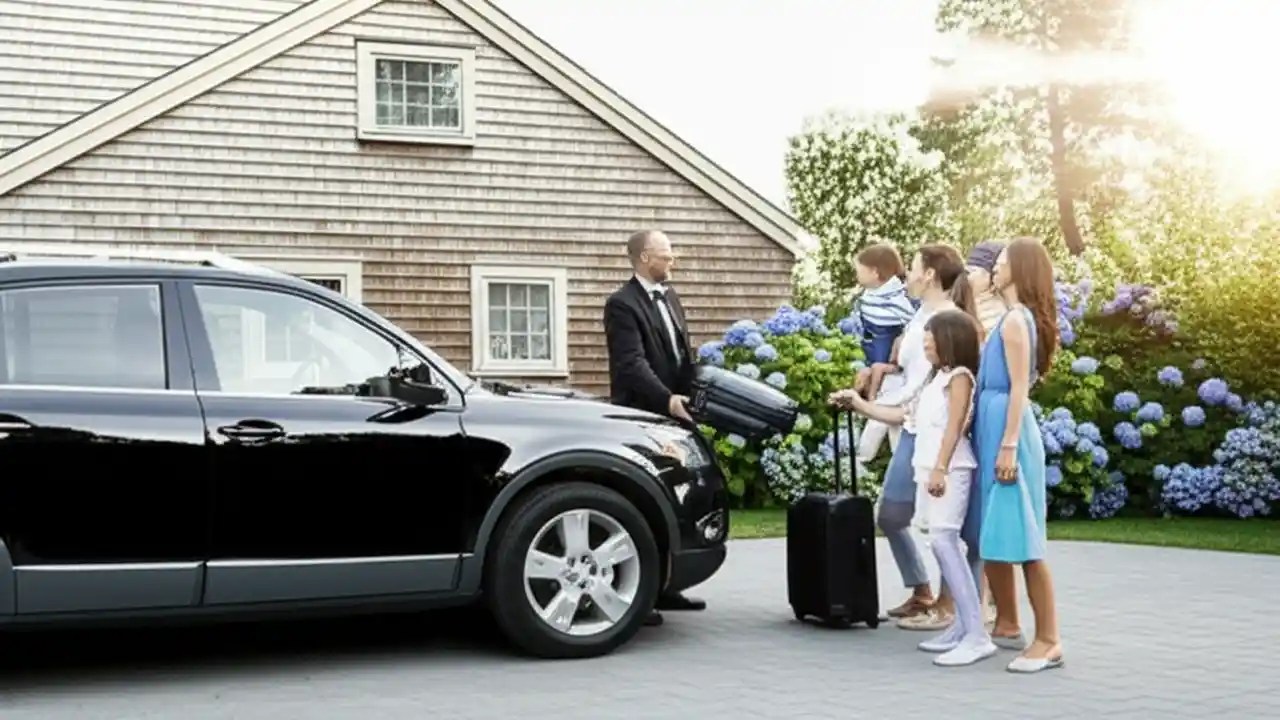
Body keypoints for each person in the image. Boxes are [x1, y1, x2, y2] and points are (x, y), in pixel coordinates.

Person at [830, 244, 976, 631]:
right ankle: (922, 591)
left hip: (933, 432)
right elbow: (913, 377)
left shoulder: (952, 321)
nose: (905, 274)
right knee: (892, 516)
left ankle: (950, 606)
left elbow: (948, 388)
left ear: (929, 275)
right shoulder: (920, 316)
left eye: (911, 268)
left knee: (947, 527)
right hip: (912, 423)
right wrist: (878, 373)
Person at [844, 309, 996, 666]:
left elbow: (955, 426)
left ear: (950, 340)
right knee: (940, 545)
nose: (925, 342)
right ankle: (962, 627)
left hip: (949, 469)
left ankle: (976, 633)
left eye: (931, 337)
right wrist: (860, 404)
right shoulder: (935, 377)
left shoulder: (960, 377)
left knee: (945, 542)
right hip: (927, 469)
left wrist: (941, 468)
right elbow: (907, 419)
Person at [603, 229, 704, 625]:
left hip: (676, 415)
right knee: (641, 505)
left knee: (675, 500)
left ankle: (669, 586)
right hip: (641, 415)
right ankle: (635, 599)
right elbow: (631, 364)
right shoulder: (621, 305)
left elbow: (682, 353)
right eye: (667, 255)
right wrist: (666, 399)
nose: (673, 261)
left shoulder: (671, 297)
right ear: (646, 257)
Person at [974, 237, 1064, 673]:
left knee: (1025, 537)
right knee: (995, 530)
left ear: (1021, 270)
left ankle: (1048, 639)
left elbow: (1019, 389)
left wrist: (1008, 444)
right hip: (994, 426)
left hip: (1008, 430)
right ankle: (1007, 624)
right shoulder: (1009, 318)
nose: (996, 266)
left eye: (1004, 261)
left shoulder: (1015, 321)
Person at [966, 241, 1008, 337]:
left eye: (972, 272)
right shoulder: (963, 301)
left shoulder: (996, 315)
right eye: (966, 272)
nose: (967, 278)